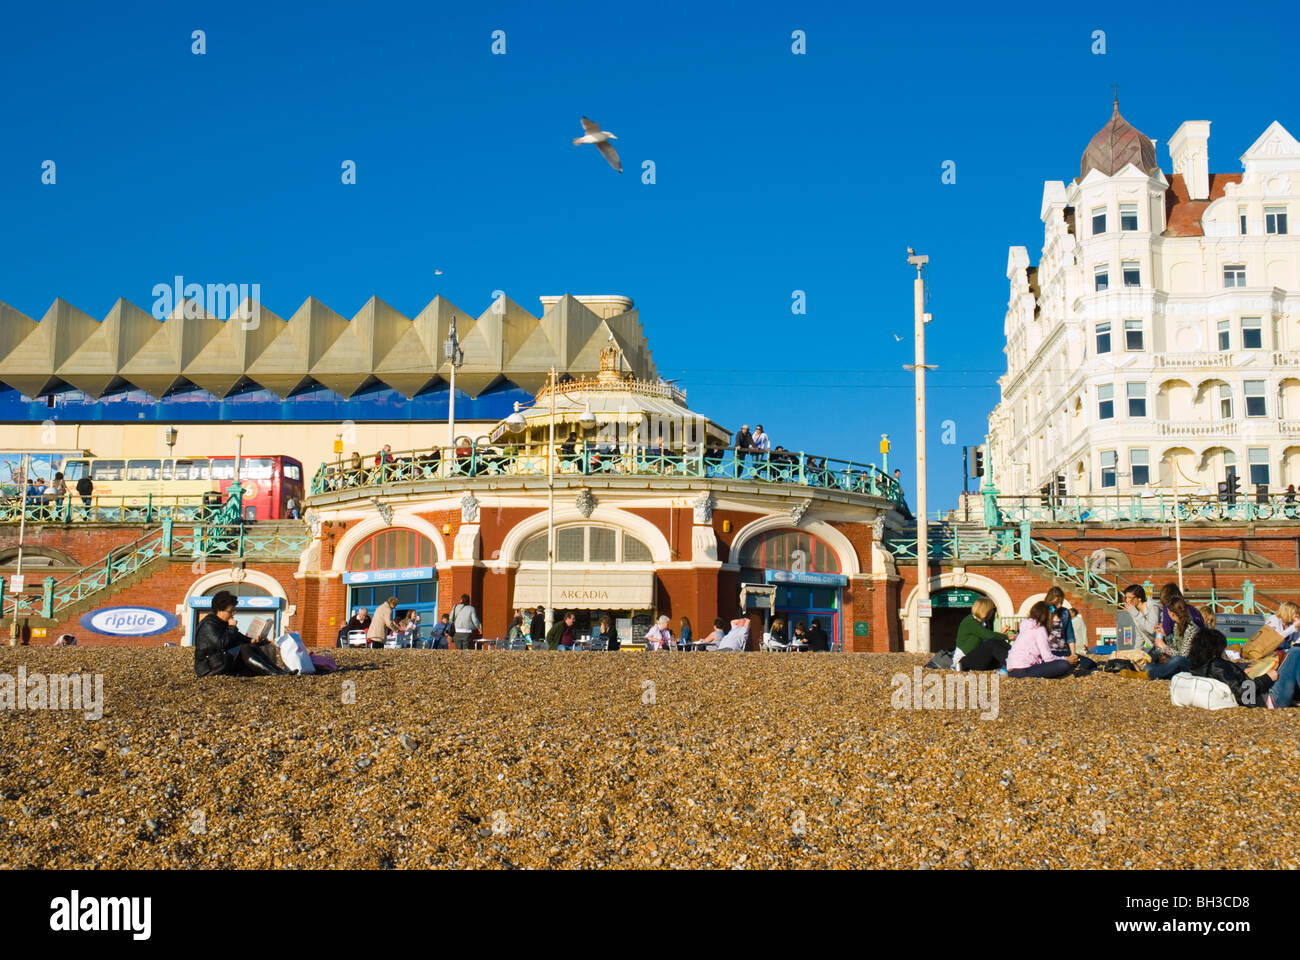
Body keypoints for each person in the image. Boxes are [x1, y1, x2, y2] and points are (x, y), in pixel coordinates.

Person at [193, 590, 288, 677]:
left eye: (234, 611)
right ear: (220, 610)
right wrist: (231, 627)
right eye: (230, 611)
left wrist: (252, 640)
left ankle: (277, 671)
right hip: (208, 667)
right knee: (244, 648)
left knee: (251, 646)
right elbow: (221, 644)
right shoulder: (208, 624)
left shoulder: (222, 622)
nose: (233, 614)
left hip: (220, 660)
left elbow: (238, 637)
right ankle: (274, 673)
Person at [1187, 628, 1275, 707]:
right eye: (1222, 650)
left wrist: (1240, 673)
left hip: (1253, 696)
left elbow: (1225, 680)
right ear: (1215, 650)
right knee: (1287, 659)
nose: (1223, 653)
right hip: (1261, 699)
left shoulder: (1198, 667)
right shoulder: (1217, 665)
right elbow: (1241, 693)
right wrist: (1267, 678)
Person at [1006, 601, 1076, 678]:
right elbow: (1048, 658)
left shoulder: (1026, 625)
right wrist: (1065, 659)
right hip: (1023, 670)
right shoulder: (1040, 629)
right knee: (1064, 665)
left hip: (1011, 669)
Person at [1148, 596, 1200, 679]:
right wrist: (1164, 635)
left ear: (1172, 614)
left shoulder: (1191, 628)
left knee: (1177, 660)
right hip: (1177, 661)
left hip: (1190, 665)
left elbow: (1183, 656)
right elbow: (1175, 648)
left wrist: (1164, 647)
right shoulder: (1176, 625)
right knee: (1148, 666)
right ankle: (1155, 672)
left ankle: (1150, 674)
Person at [954, 597, 1010, 671]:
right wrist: (1007, 636)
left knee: (999, 642)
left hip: (976, 658)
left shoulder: (983, 622)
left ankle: (1019, 660)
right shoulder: (970, 621)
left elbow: (987, 636)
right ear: (986, 610)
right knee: (992, 643)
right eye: (992, 609)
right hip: (963, 662)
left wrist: (1001, 635)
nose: (993, 612)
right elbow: (988, 636)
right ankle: (1013, 665)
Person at [1121, 584, 1161, 651]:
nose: (1127, 601)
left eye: (1130, 598)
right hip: (1156, 646)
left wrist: (1136, 614)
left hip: (1166, 646)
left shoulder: (1152, 607)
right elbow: (1140, 633)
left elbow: (1152, 629)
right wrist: (1136, 651)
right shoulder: (1135, 610)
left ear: (1139, 598)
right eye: (1126, 598)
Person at [1044, 586, 1077, 656]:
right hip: (1048, 652)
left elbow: (1070, 635)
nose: (1059, 606)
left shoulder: (1065, 612)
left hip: (1064, 651)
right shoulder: (1043, 612)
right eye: (1056, 603)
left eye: (1061, 603)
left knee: (1089, 663)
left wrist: (1073, 654)